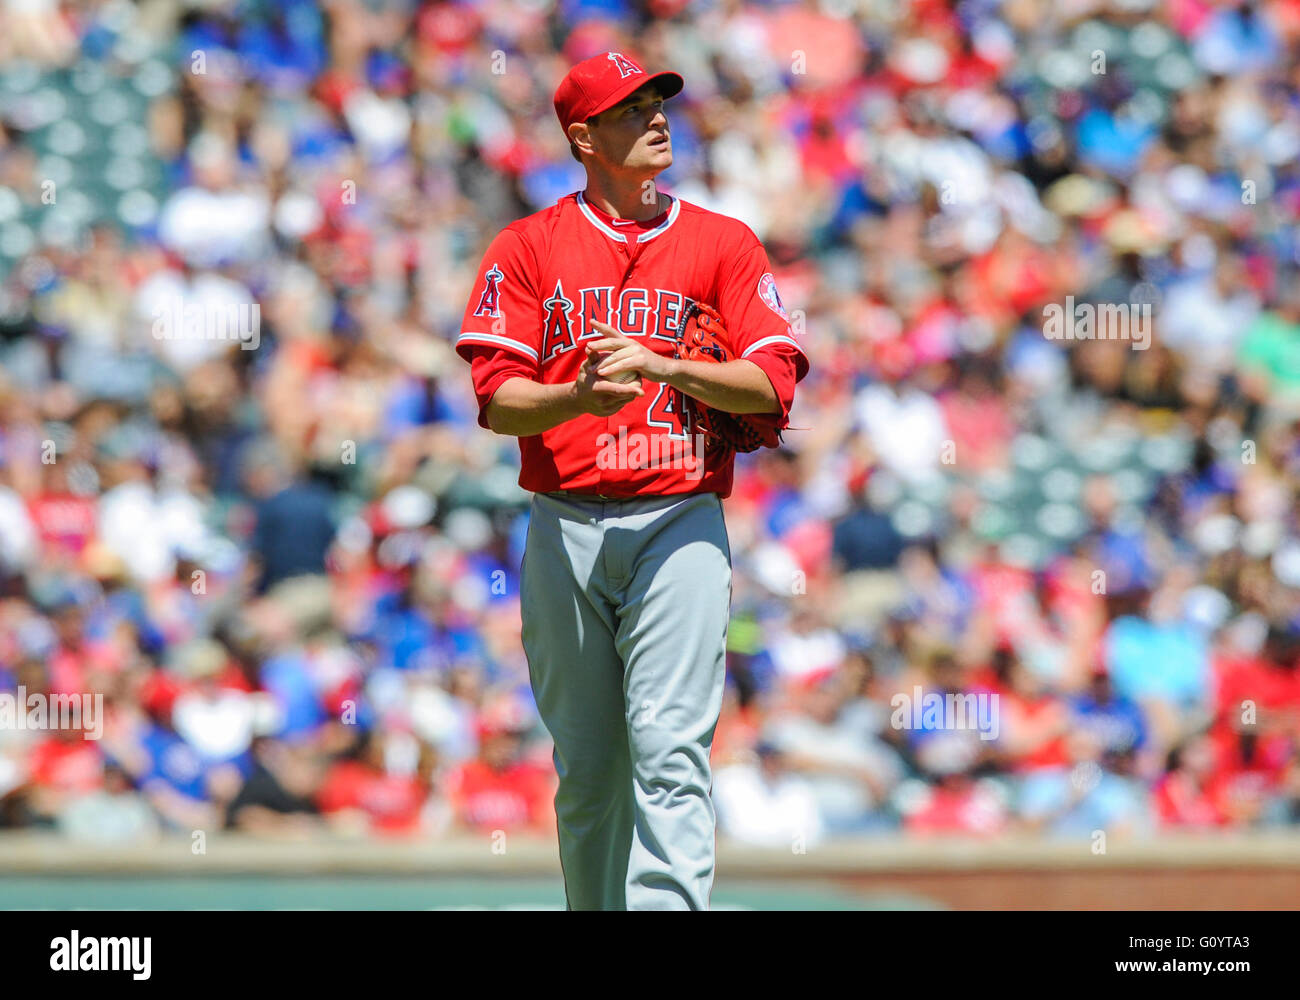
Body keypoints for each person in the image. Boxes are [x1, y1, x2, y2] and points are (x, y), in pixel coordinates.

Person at [455, 51, 809, 909]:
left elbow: (774, 386)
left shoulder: (723, 242)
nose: (656, 118)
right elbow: (498, 403)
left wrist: (666, 365)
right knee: (588, 773)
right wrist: (576, 393)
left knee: (670, 751)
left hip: (679, 517)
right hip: (565, 522)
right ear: (583, 137)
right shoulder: (529, 244)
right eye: (630, 109)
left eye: (658, 102)